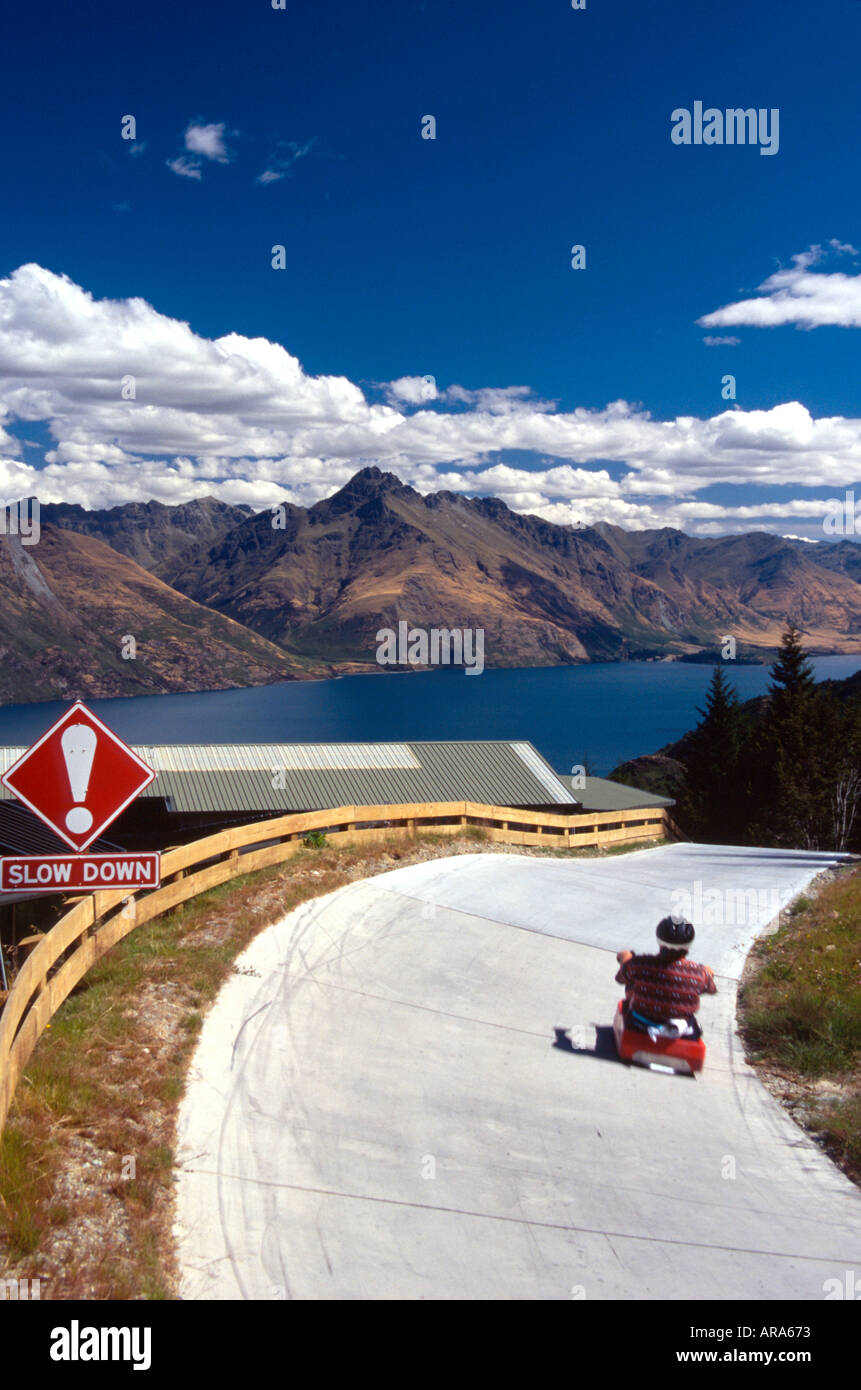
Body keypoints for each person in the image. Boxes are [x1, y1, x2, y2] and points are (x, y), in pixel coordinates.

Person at [615, 915, 716, 1035]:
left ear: (660, 942)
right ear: (688, 946)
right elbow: (711, 989)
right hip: (681, 1029)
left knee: (632, 979)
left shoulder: (639, 964)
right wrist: (707, 973)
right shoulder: (699, 973)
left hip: (640, 1024)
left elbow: (620, 978)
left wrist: (625, 958)